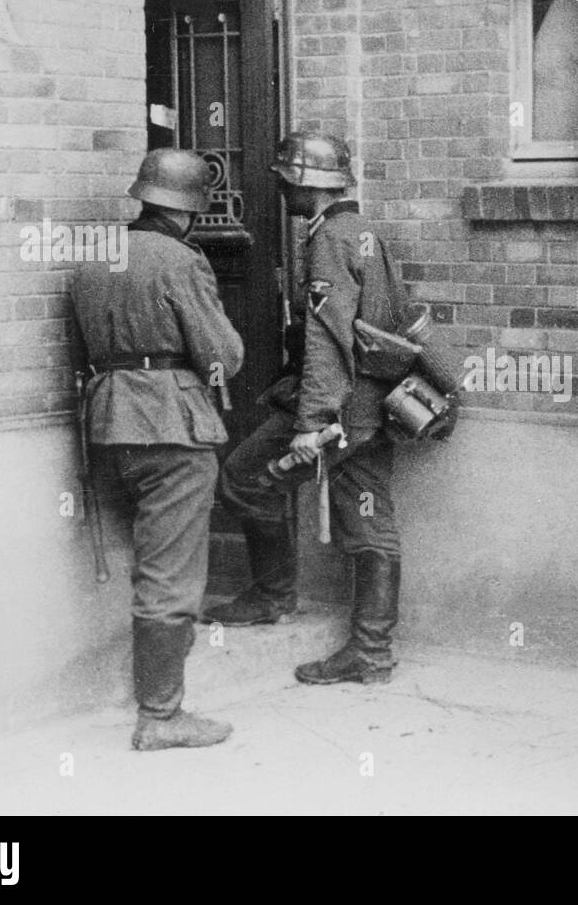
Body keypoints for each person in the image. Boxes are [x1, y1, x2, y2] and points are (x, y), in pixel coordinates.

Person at [211, 131, 407, 686]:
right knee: (372, 524)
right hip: (372, 408)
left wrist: (312, 421)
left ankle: (272, 596)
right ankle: (371, 653)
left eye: (285, 180)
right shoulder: (362, 230)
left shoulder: (327, 240)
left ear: (304, 185)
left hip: (337, 411)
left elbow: (327, 338)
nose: (280, 189)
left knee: (245, 477)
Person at [70, 148, 244, 750]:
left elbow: (79, 348)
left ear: (145, 197)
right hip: (172, 427)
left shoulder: (95, 257)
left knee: (146, 565)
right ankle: (162, 717)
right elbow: (223, 356)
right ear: (191, 211)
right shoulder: (181, 260)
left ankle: (156, 702)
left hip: (107, 423)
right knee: (170, 575)